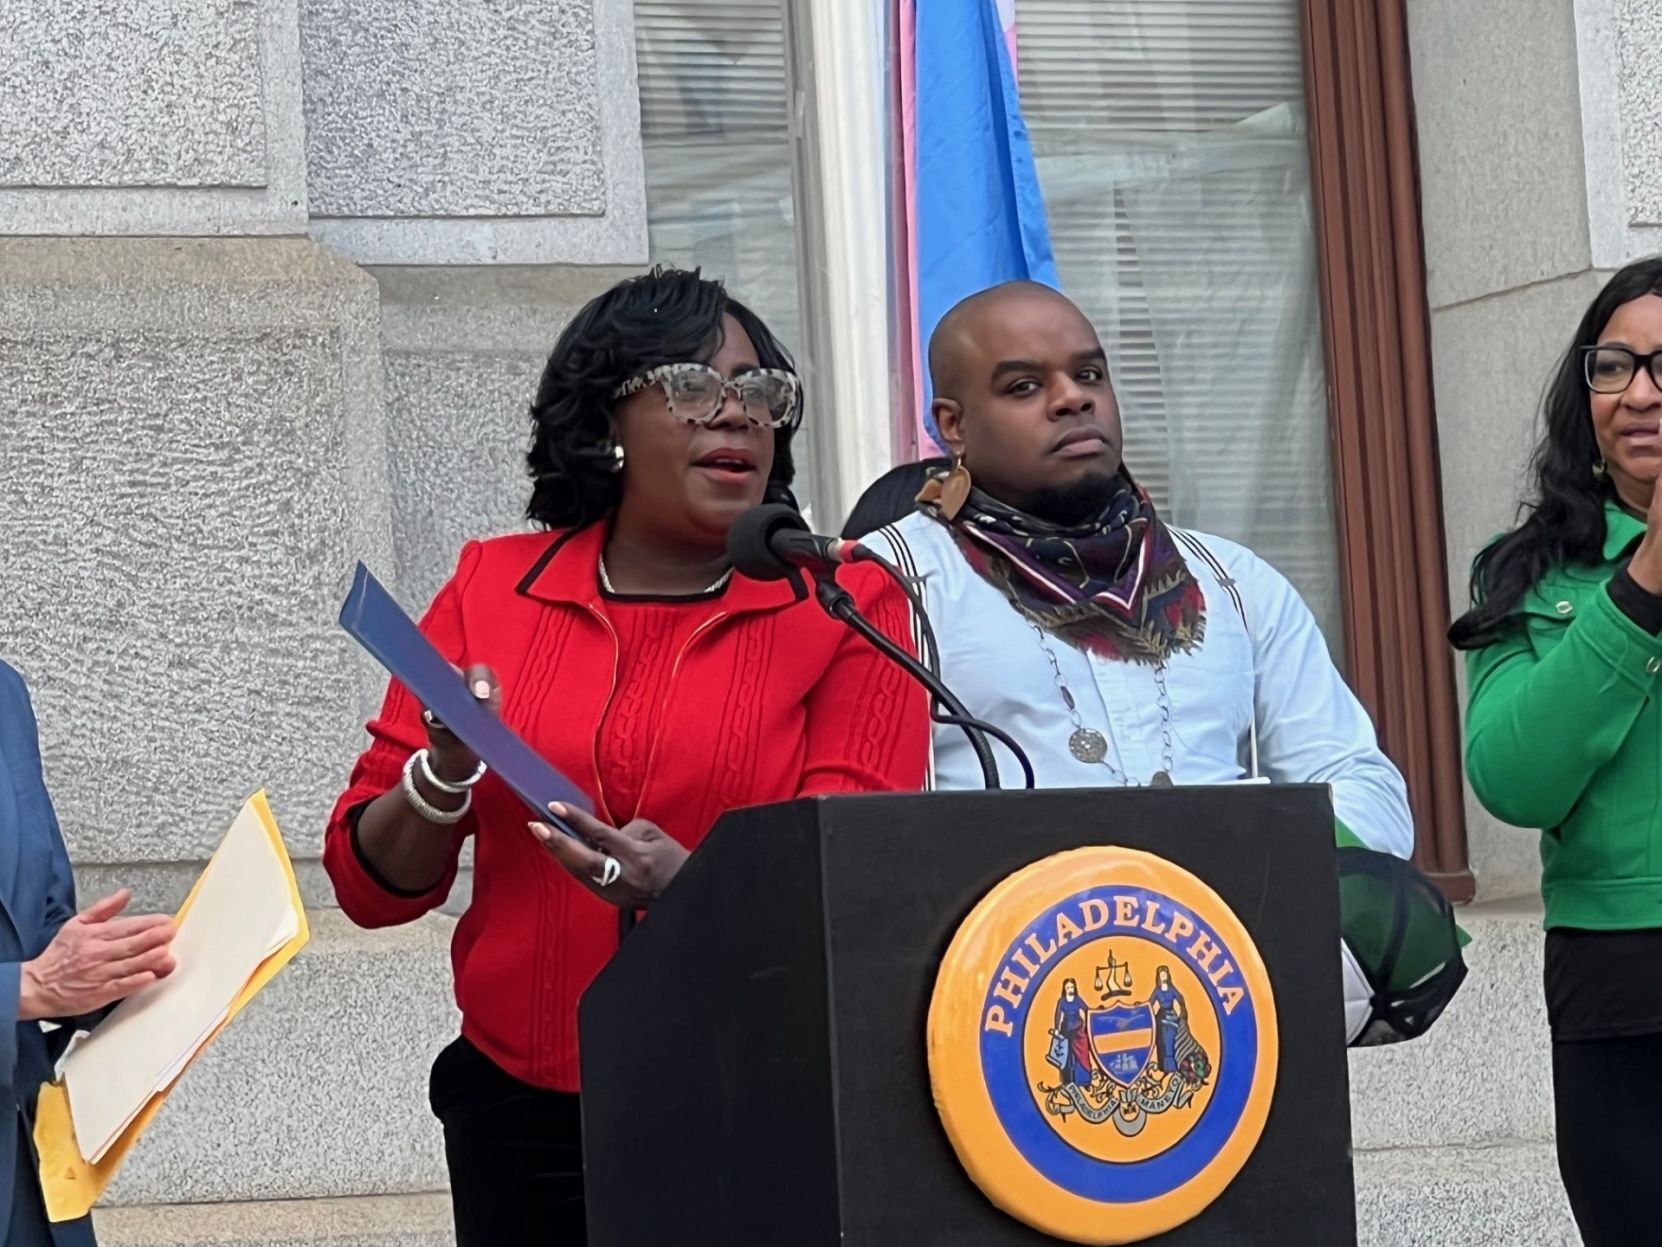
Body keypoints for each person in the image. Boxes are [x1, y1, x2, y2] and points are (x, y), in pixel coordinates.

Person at [323, 268, 928, 1245]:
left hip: (757, 1091)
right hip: (524, 1115)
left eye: (764, 392)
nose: (738, 413)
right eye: (695, 385)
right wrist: (440, 775)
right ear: (606, 416)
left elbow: (851, 884)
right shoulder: (492, 589)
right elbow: (368, 885)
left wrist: (690, 884)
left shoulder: (840, 601)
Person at [867, 281, 1412, 855]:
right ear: (953, 425)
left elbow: (1359, 781)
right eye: (1024, 386)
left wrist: (1254, 869)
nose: (1072, 400)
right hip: (1006, 935)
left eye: (1090, 376)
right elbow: (867, 832)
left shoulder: (1235, 583)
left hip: (1228, 933)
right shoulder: (891, 586)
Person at [1448, 257, 1662, 1246]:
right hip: (1622, 971)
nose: (1641, 393)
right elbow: (1513, 779)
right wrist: (1645, 575)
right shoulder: (1524, 568)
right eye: (1613, 366)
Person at [0, 662, 177, 1244]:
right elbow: (32, 978)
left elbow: (38, 922)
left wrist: (116, 970)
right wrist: (27, 989)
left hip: (28, 1175)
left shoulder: (6, 692)